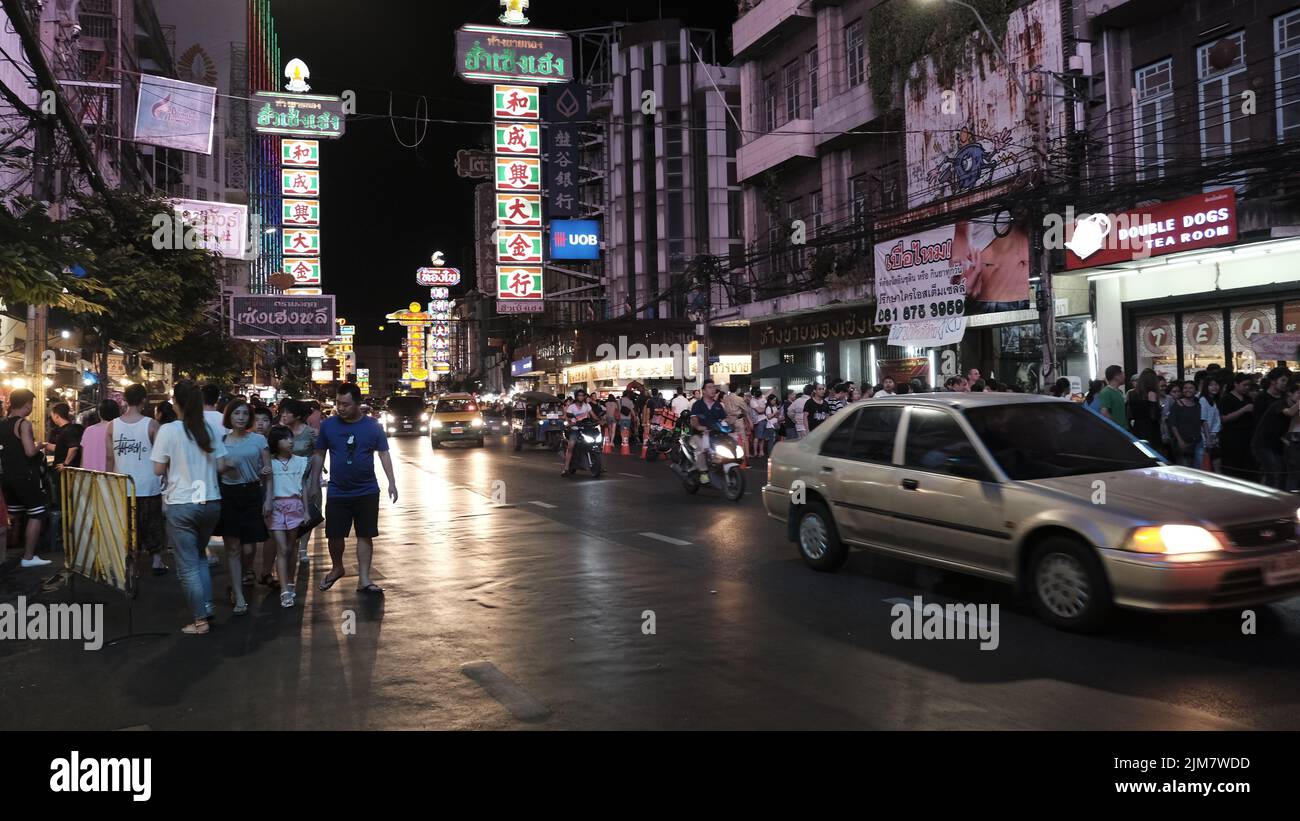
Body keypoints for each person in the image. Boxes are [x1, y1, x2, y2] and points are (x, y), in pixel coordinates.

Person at [151, 381, 229, 635]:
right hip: (211, 502)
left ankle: (200, 620)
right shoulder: (208, 428)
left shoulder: (169, 430)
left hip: (182, 503)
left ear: (176, 403)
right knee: (199, 558)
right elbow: (221, 465)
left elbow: (158, 469)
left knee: (187, 565)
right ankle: (206, 608)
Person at [311, 383, 397, 595]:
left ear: (358, 404)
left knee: (365, 535)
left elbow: (384, 454)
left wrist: (392, 482)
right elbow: (319, 453)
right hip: (337, 490)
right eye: (338, 403)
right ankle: (337, 566)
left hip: (366, 490)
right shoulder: (329, 426)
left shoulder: (373, 426)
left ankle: (365, 580)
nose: (340, 408)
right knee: (334, 535)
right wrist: (313, 481)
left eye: (345, 404)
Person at [214, 400, 270, 615]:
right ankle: (237, 594)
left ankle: (245, 573)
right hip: (228, 495)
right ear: (229, 416)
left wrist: (269, 498)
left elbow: (267, 470)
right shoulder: (221, 441)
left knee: (248, 547)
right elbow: (214, 469)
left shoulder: (258, 440)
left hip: (252, 494)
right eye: (236, 413)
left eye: (245, 414)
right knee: (233, 547)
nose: (240, 417)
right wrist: (223, 468)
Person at [106, 384, 166, 576]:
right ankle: (157, 560)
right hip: (149, 484)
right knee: (153, 523)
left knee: (128, 526)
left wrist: (109, 479)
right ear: (143, 400)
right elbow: (161, 455)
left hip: (123, 484)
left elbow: (110, 457)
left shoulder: (112, 425)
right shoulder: (152, 424)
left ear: (124, 400)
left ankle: (132, 567)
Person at [0, 389, 51, 567]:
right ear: (27, 403)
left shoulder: (3, 423)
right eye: (32, 404)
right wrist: (40, 445)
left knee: (13, 514)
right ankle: (28, 557)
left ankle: (5, 554)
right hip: (25, 477)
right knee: (36, 513)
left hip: (6, 477)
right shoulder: (23, 424)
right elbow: (29, 452)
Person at [265, 425, 310, 608]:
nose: (290, 441)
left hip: (295, 506)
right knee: (282, 549)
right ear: (276, 442)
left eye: (290, 438)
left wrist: (306, 510)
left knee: (291, 548)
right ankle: (285, 590)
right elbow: (265, 484)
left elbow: (303, 487)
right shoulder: (269, 463)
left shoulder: (300, 461)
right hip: (276, 506)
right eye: (285, 438)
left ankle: (290, 581)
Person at [279, 399, 319, 567]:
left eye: (287, 412)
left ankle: (303, 548)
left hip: (307, 478)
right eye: (282, 412)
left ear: (297, 415)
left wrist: (315, 480)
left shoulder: (310, 433)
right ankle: (290, 548)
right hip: (286, 481)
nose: (283, 415)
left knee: (307, 515)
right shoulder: (280, 432)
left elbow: (318, 455)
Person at [1250, 379, 1300, 489]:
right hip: (1263, 444)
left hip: (1277, 444)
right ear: (1289, 393)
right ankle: (1270, 500)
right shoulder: (1280, 403)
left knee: (1282, 474)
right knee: (1274, 473)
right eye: (1298, 393)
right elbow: (1290, 413)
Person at [688, 380, 727, 484]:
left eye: (713, 387)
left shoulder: (718, 405)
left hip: (714, 435)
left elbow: (724, 420)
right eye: (709, 387)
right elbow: (694, 420)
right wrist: (699, 427)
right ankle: (703, 472)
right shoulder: (697, 404)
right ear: (704, 391)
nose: (713, 389)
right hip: (698, 435)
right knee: (702, 448)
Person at [1218, 373, 1256, 479]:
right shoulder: (1227, 399)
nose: (1247, 388)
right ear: (1236, 384)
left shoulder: (1248, 398)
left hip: (1247, 436)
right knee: (1233, 468)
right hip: (1232, 437)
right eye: (1244, 385)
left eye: (1249, 385)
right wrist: (1243, 410)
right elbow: (1223, 418)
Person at [1168, 381, 1206, 468]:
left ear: (1196, 390)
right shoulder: (1177, 404)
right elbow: (1173, 424)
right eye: (1185, 388)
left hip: (1197, 441)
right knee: (1185, 469)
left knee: (1199, 469)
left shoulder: (1198, 403)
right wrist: (1180, 440)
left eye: (1190, 388)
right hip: (1183, 441)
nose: (1187, 390)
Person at [79, 398, 120, 473]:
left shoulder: (88, 430)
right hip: (107, 477)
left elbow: (83, 458)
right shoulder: (116, 430)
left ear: (99, 413)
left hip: (88, 476)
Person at [561, 388, 594, 476]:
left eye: (582, 395)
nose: (581, 397)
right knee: (571, 446)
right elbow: (568, 418)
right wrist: (571, 423)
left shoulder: (587, 406)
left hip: (586, 429)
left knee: (595, 443)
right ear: (576, 397)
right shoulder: (571, 407)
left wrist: (600, 420)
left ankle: (598, 466)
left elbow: (593, 415)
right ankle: (566, 469)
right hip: (575, 429)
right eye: (579, 395)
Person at [1126, 369, 1163, 444]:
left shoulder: (1131, 393)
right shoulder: (1151, 394)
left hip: (1137, 427)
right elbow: (1154, 415)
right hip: (1150, 429)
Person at [1200, 378, 1223, 473]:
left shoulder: (1215, 400)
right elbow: (1203, 420)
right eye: (1211, 385)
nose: (1214, 387)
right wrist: (1209, 438)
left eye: (1216, 384)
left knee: (1216, 463)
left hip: (1214, 435)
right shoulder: (1203, 400)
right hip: (1207, 436)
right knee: (1209, 465)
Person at [1097, 365, 1128, 429]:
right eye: (1122, 373)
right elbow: (1104, 413)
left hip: (1124, 429)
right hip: (1117, 431)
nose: (1124, 376)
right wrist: (1116, 426)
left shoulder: (1119, 391)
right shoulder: (1106, 392)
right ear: (1116, 376)